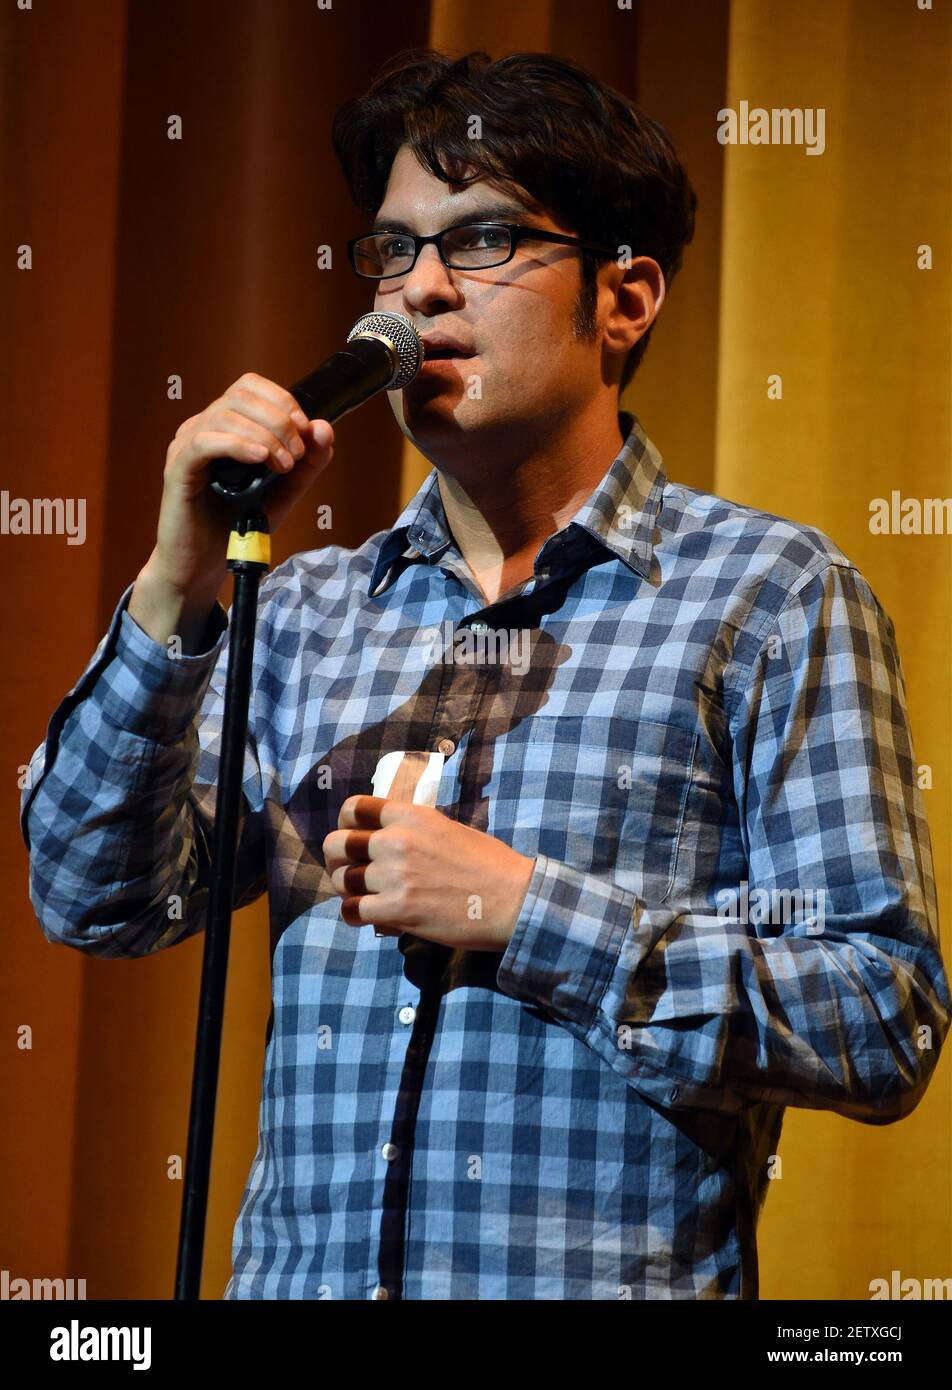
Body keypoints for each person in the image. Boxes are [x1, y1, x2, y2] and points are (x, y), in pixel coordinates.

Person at [20, 48, 950, 1301]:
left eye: (483, 242)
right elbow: (95, 898)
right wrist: (173, 579)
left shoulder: (769, 595)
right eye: (393, 252)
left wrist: (530, 913)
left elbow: (881, 1014)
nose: (415, 296)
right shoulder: (301, 610)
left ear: (623, 298)